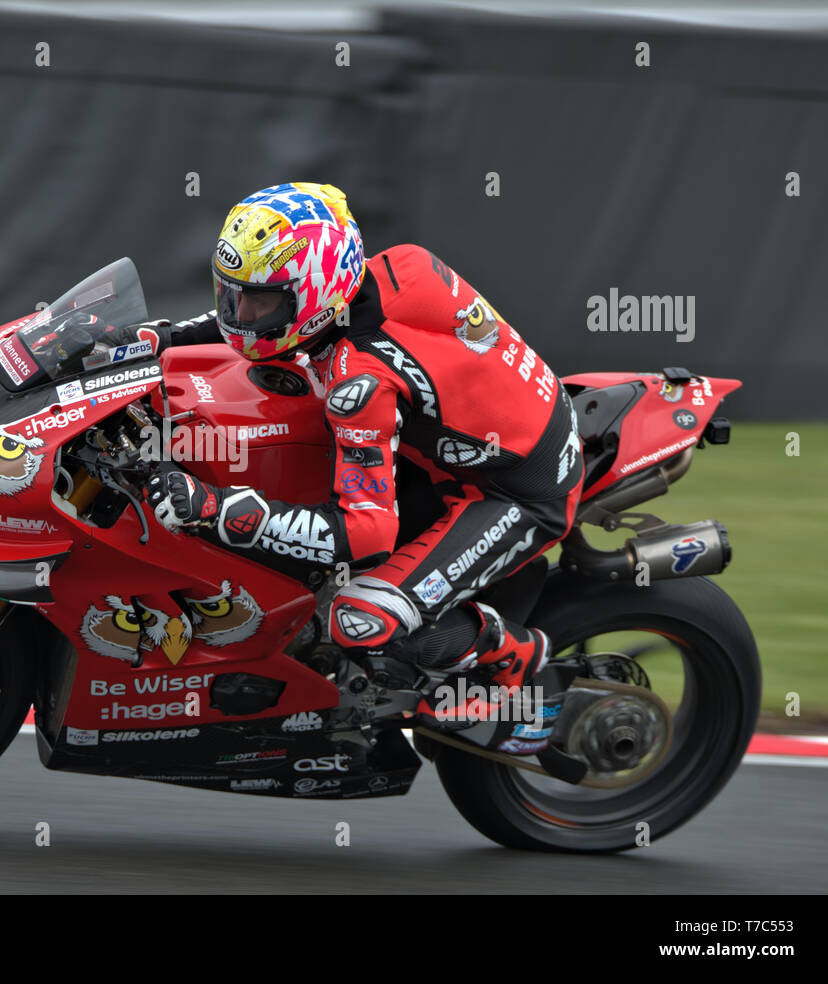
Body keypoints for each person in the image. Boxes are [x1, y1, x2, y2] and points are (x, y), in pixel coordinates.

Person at [141, 182, 583, 726]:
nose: (242, 314)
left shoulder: (361, 384)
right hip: (471, 440)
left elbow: (365, 532)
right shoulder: (397, 266)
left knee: (357, 617)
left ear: (320, 292)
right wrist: (157, 339)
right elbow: (257, 329)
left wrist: (214, 509)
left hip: (514, 490)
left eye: (262, 301)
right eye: (233, 294)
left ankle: (512, 657)